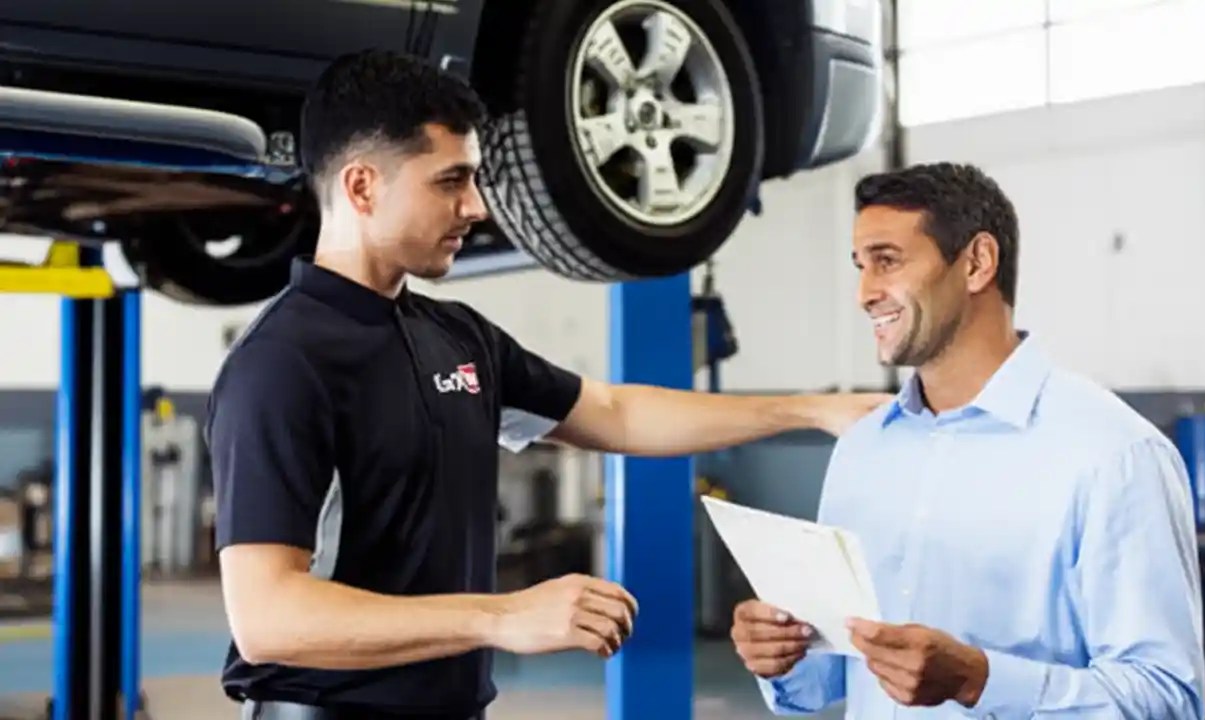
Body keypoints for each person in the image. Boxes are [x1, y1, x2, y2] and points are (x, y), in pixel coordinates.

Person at [206, 49, 891, 720]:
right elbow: (269, 618)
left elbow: (617, 413)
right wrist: (503, 616)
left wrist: (812, 410)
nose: (476, 206)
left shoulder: (455, 335)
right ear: (361, 187)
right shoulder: (282, 365)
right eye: (450, 181)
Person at [730, 162, 1205, 719]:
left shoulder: (1114, 456)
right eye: (860, 266)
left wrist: (981, 680)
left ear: (977, 263)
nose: (864, 293)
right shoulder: (863, 450)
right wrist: (784, 653)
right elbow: (831, 677)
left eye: (887, 261)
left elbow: (1168, 700)